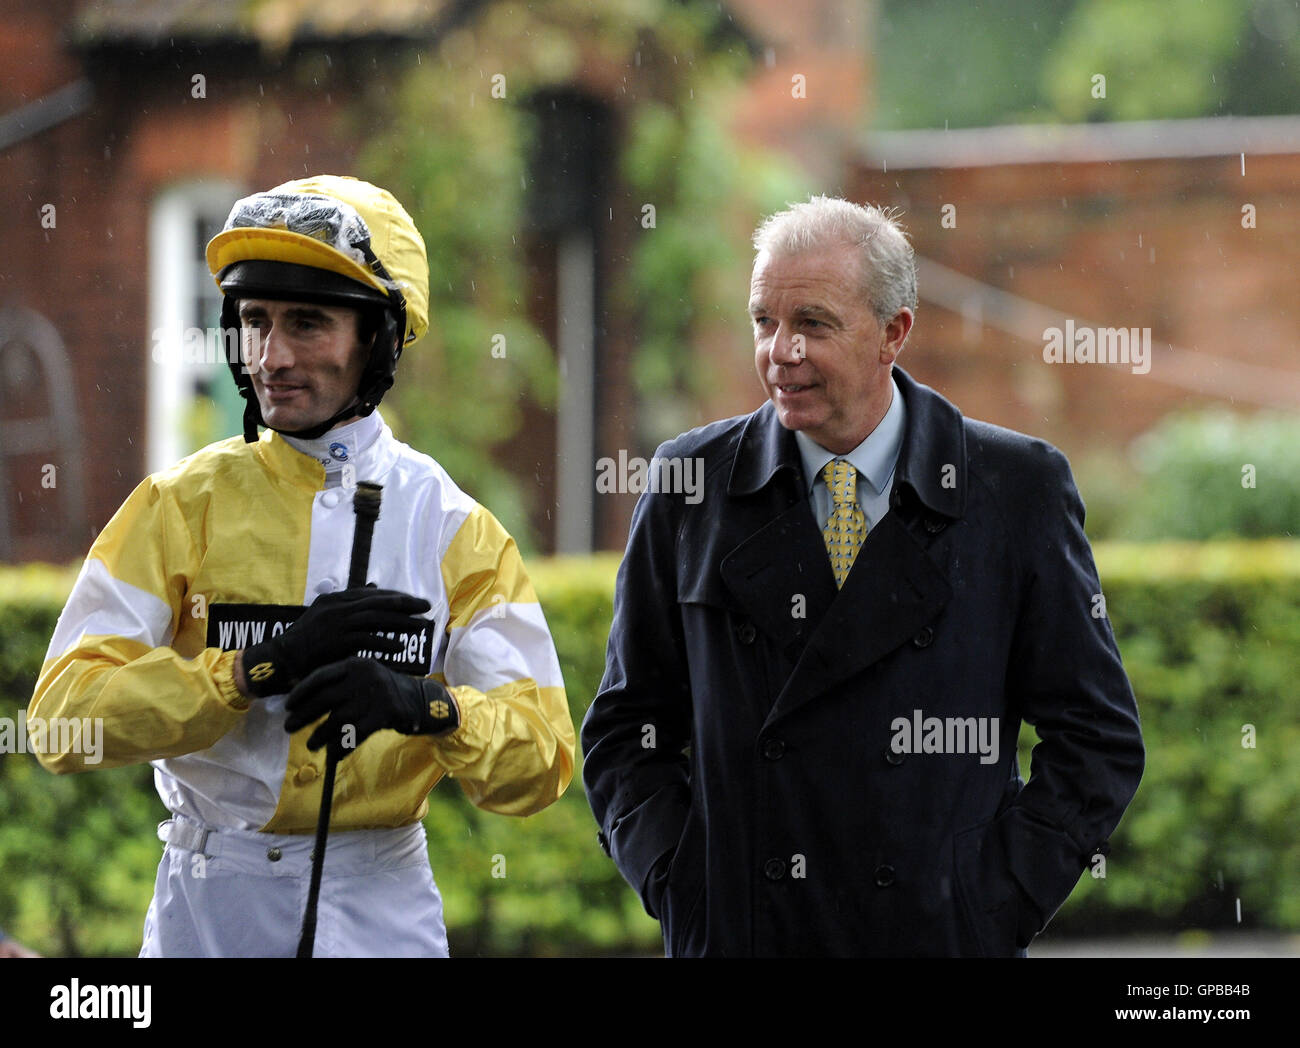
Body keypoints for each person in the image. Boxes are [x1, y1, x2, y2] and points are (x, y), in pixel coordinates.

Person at [581, 195, 1145, 957]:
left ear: (894, 333)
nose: (781, 352)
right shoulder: (691, 484)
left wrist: (988, 906)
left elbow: (1097, 737)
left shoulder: (1013, 488)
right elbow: (625, 731)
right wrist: (688, 888)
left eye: (812, 324)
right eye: (763, 322)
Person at [28, 175, 574, 957]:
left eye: (307, 324)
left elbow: (542, 760)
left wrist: (428, 707)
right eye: (255, 322)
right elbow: (59, 724)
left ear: (379, 340)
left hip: (380, 912)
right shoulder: (176, 506)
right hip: (208, 911)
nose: (270, 357)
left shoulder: (456, 529)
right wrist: (248, 670)